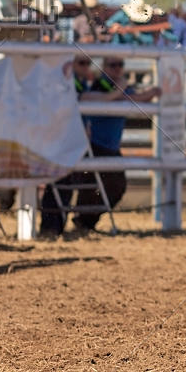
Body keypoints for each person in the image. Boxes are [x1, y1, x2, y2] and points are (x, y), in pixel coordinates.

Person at [40, 52, 159, 235]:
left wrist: (145, 93)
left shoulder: (98, 82)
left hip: (95, 144)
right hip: (89, 144)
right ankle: (57, 226)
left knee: (103, 185)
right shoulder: (100, 83)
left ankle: (79, 223)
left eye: (120, 64)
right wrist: (130, 91)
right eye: (112, 65)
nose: (117, 69)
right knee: (71, 183)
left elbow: (127, 98)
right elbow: (97, 98)